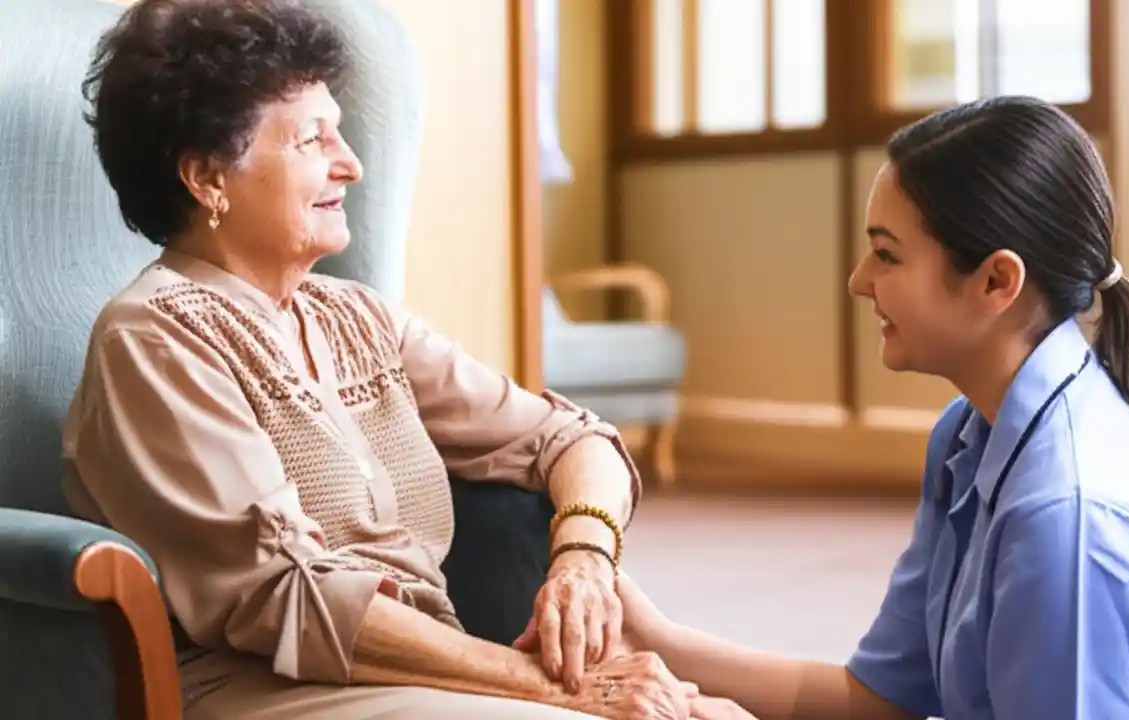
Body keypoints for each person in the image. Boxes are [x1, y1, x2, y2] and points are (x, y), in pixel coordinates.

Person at [63, 0, 696, 717]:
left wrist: (583, 557)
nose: (352, 164)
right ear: (209, 178)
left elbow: (571, 438)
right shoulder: (154, 340)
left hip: (439, 670)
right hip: (271, 688)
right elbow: (289, 599)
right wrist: (558, 688)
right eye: (313, 140)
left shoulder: (355, 317)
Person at [614, 95, 1129, 719]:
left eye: (886, 255)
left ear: (996, 281)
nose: (858, 282)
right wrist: (654, 638)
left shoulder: (1068, 517)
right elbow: (874, 700)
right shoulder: (969, 434)